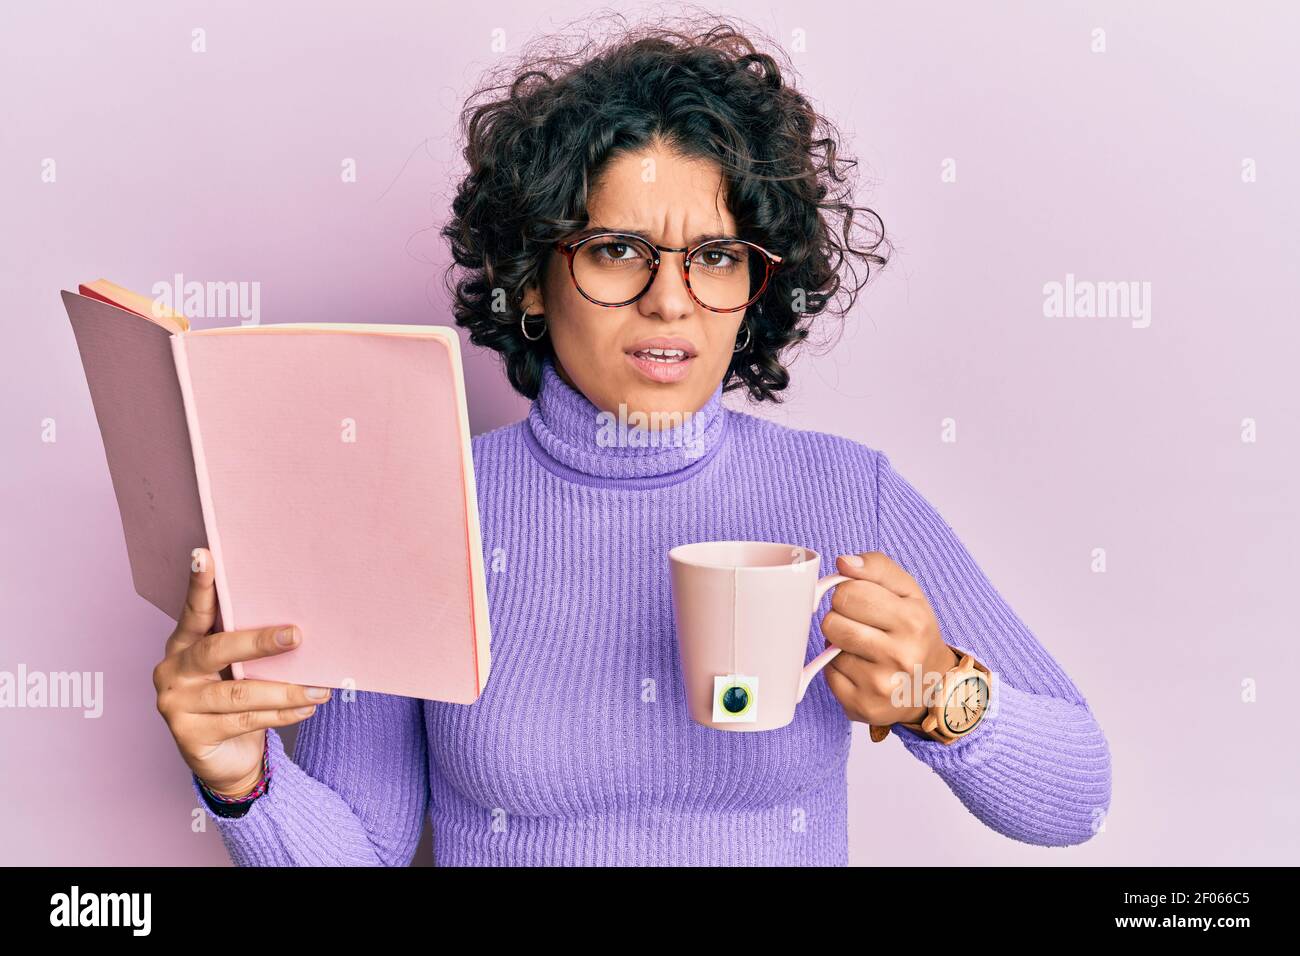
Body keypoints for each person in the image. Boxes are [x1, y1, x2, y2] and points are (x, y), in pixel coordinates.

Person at [152, 16, 1111, 866]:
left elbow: (1077, 799)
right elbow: (360, 851)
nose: (669, 299)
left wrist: (941, 697)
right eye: (617, 251)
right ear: (531, 278)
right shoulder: (415, 512)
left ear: (756, 286)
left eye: (717, 258)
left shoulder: (843, 494)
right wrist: (242, 780)